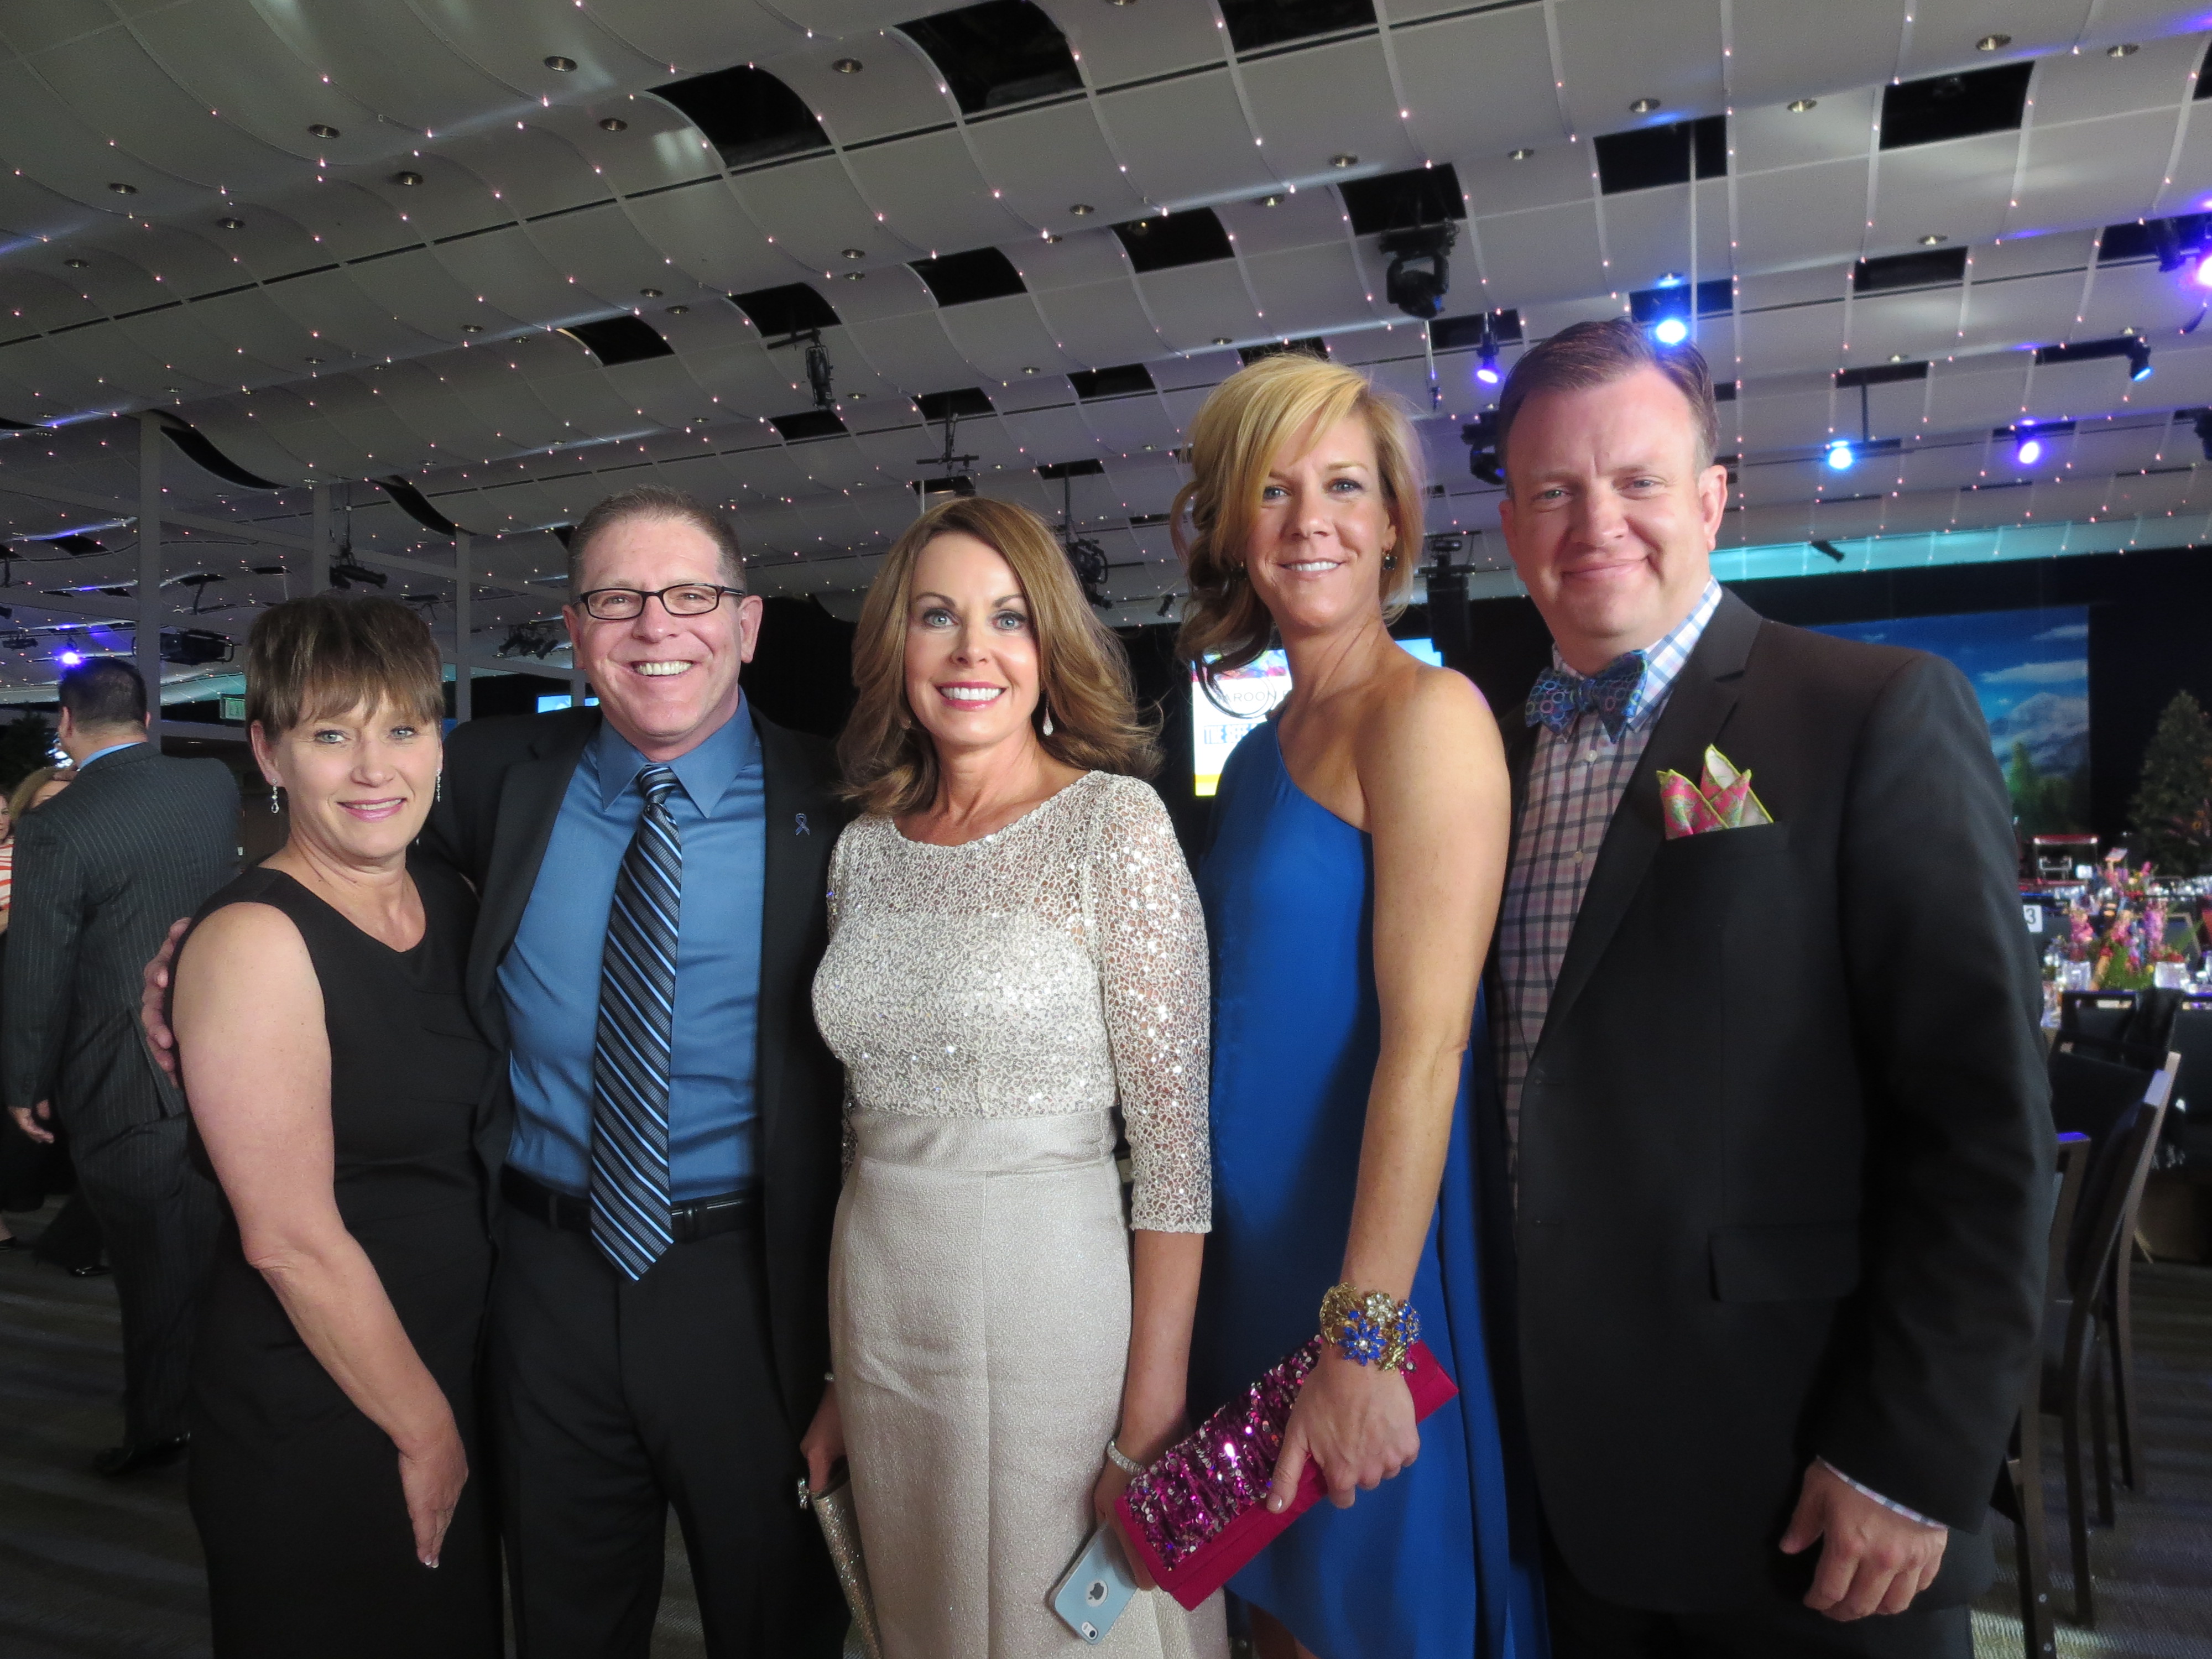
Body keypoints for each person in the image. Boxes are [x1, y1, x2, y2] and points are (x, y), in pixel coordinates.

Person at [143, 486, 848, 1655]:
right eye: (615, 600)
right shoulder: (493, 776)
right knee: (562, 1620)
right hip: (536, 1287)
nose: (653, 627)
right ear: (573, 632)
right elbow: (331, 882)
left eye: (689, 597)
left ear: (746, 623)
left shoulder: (845, 802)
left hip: (755, 1290)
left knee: (777, 1621)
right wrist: (186, 961)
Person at [1488, 319, 2050, 1658]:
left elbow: (1977, 1126)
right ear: (1509, 527)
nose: (1595, 523)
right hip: (1544, 1480)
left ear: (1709, 499)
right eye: (1554, 492)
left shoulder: (1868, 711)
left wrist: (1911, 1455)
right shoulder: (1484, 759)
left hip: (1804, 1487)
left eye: (1634, 482)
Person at [809, 497, 1225, 1659]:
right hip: (879, 1306)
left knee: (1058, 1625)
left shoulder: (1113, 826)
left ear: (1050, 647)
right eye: (935, 617)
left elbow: (1176, 1160)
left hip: (1055, 1318)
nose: (970, 651)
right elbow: (855, 1120)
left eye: (1006, 618)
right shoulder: (862, 849)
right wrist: (842, 1375)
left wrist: (1148, 1422)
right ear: (897, 646)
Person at [1177, 353, 1544, 1659]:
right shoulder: (1269, 745)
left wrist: (1364, 1339)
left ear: (1394, 519)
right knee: (1273, 1618)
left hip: (1355, 1281)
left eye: (1342, 486)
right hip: (1246, 1262)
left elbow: (1426, 1046)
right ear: (1230, 526)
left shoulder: (1427, 714)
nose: (1307, 522)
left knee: (1369, 1620)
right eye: (1269, 491)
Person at [169, 595, 501, 1656]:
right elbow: (290, 1239)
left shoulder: (451, 899)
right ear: (268, 752)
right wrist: (424, 1427)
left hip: (448, 1364)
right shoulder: (254, 940)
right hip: (324, 1402)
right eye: (330, 734)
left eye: (402, 729)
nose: (373, 768)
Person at [3, 660, 235, 1472]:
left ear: (67, 722)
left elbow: (38, 968)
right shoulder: (208, 786)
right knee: (210, 1247)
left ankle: (163, 1426)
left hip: (119, 1074)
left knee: (150, 1267)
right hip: (221, 1051)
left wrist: (23, 1085)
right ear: (145, 714)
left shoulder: (58, 825)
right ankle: (218, 1401)